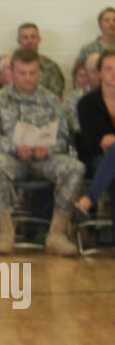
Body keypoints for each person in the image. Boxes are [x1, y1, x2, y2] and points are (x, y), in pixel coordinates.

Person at [0, 48, 84, 256]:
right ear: (11, 72)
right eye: (22, 73)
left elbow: (63, 137)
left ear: (39, 72)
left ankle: (57, 234)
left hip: (43, 158)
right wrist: (14, 147)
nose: (28, 78)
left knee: (75, 168)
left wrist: (47, 149)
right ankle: (4, 233)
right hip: (12, 158)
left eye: (33, 73)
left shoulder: (52, 100)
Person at [73, 50, 115, 232]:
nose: (114, 74)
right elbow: (93, 142)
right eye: (108, 69)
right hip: (97, 159)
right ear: (99, 73)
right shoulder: (87, 103)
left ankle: (89, 199)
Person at [15, 23, 64, 98]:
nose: (29, 41)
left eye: (33, 37)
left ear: (39, 40)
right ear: (19, 41)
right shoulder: (9, 65)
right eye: (25, 37)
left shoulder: (51, 67)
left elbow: (55, 97)